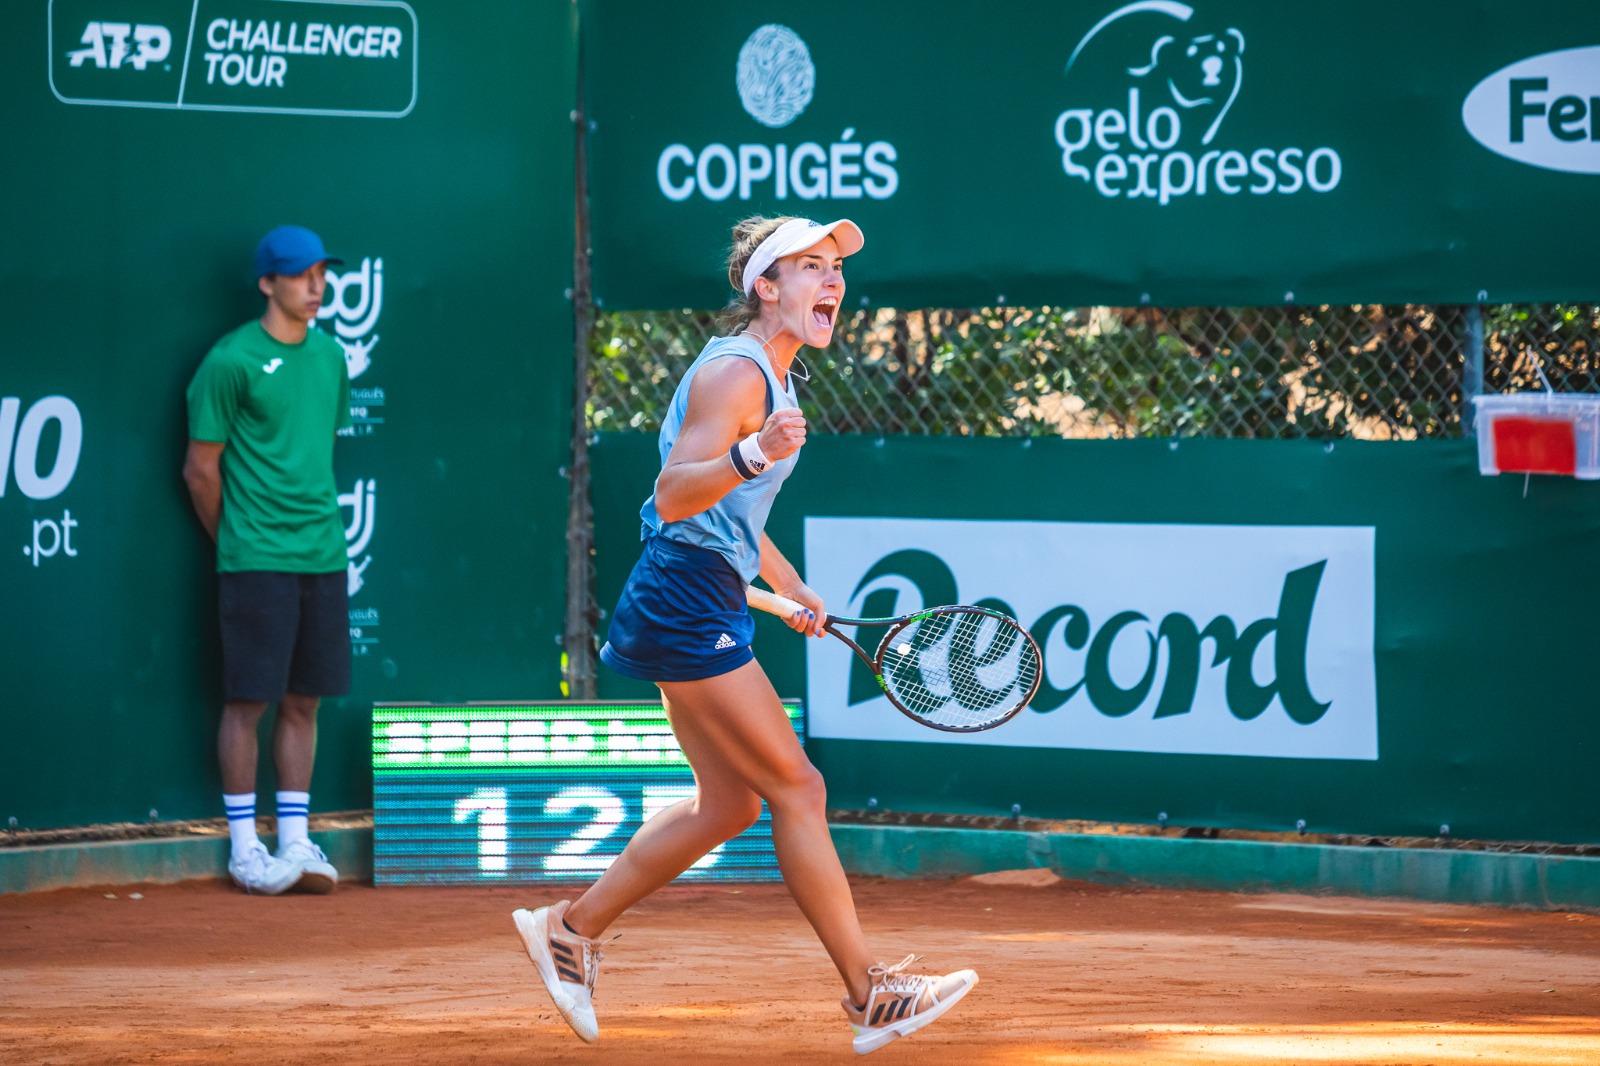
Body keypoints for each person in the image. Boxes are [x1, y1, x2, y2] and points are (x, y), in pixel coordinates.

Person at [512, 216, 977, 1054]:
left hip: (706, 590)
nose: (831, 280)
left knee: (728, 806)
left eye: (835, 268)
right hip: (685, 595)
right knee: (797, 788)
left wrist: (790, 587)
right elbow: (676, 492)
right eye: (809, 266)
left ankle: (568, 932)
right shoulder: (737, 373)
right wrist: (753, 456)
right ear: (766, 286)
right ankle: (869, 994)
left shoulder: (779, 382)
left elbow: (732, 516)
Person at [183, 225, 352, 896]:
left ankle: (295, 839)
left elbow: (317, 446)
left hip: (323, 553)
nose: (316, 286)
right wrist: (237, 539)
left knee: (304, 701)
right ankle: (247, 849)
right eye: (301, 274)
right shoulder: (229, 362)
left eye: (322, 273)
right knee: (248, 700)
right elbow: (200, 470)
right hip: (254, 557)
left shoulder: (331, 357)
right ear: (267, 283)